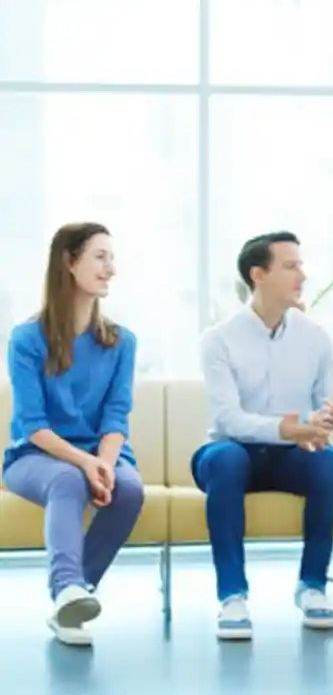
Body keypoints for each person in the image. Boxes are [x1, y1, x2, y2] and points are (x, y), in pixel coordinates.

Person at [193, 231, 333, 640]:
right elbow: (228, 419)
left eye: (301, 264)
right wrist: (284, 427)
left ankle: (313, 586)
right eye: (290, 266)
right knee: (226, 459)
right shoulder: (218, 339)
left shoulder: (315, 337)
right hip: (231, 452)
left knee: (327, 462)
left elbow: (323, 403)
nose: (302, 274)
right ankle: (232, 596)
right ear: (258, 274)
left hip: (290, 453)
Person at [3, 223, 144, 646]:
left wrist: (104, 461)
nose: (111, 269)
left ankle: (74, 598)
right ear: (69, 261)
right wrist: (86, 463)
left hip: (97, 452)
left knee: (130, 489)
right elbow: (33, 425)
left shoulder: (122, 342)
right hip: (35, 456)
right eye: (101, 257)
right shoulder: (26, 339)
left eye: (111, 258)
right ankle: (66, 588)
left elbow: (116, 416)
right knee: (67, 479)